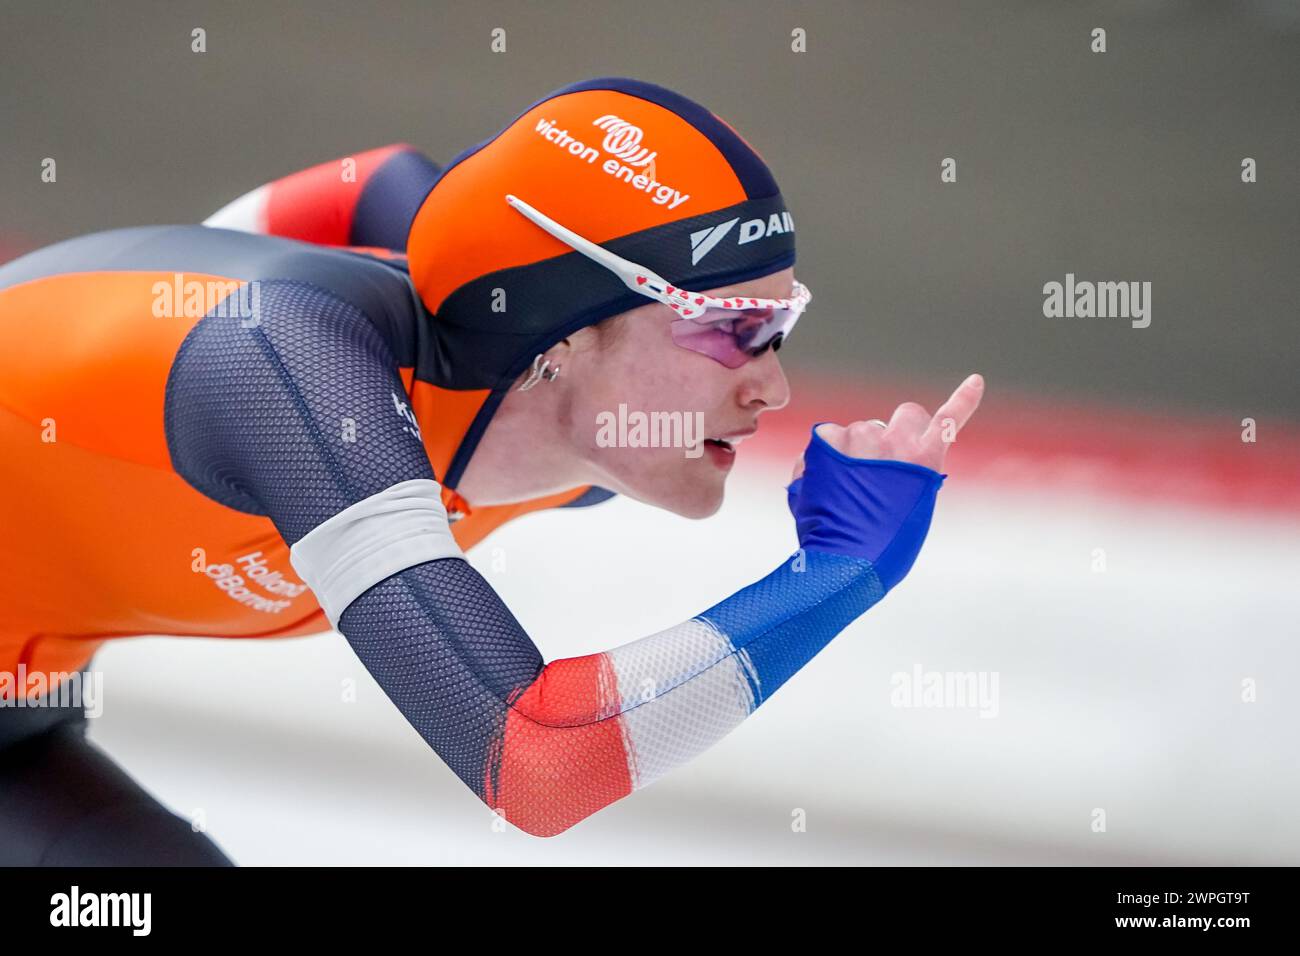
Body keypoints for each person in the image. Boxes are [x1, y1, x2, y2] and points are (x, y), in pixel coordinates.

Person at [0, 76, 984, 863]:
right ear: (569, 329)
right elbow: (537, 763)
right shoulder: (287, 367)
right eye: (735, 330)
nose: (773, 387)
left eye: (780, 326)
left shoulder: (573, 447)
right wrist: (837, 571)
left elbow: (384, 180)